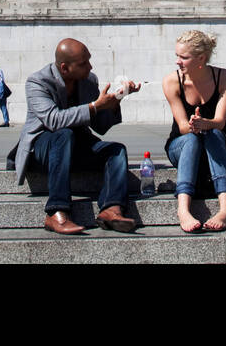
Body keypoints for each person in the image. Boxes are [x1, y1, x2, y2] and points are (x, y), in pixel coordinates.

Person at [13, 38, 140, 235]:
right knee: (63, 135)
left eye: (89, 60)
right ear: (64, 68)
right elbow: (53, 121)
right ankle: (56, 211)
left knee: (116, 150)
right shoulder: (38, 82)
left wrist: (115, 101)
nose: (90, 66)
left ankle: (111, 208)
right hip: (44, 146)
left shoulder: (89, 80)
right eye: (83, 63)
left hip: (77, 145)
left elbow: (100, 127)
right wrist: (95, 106)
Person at [163, 30, 226, 232]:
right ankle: (183, 209)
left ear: (201, 58)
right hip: (182, 146)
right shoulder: (171, 81)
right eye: (177, 56)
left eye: (183, 57)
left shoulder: (225, 78)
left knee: (212, 133)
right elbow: (182, 127)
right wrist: (195, 125)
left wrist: (206, 123)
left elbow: (220, 122)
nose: (178, 61)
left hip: (216, 143)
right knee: (192, 139)